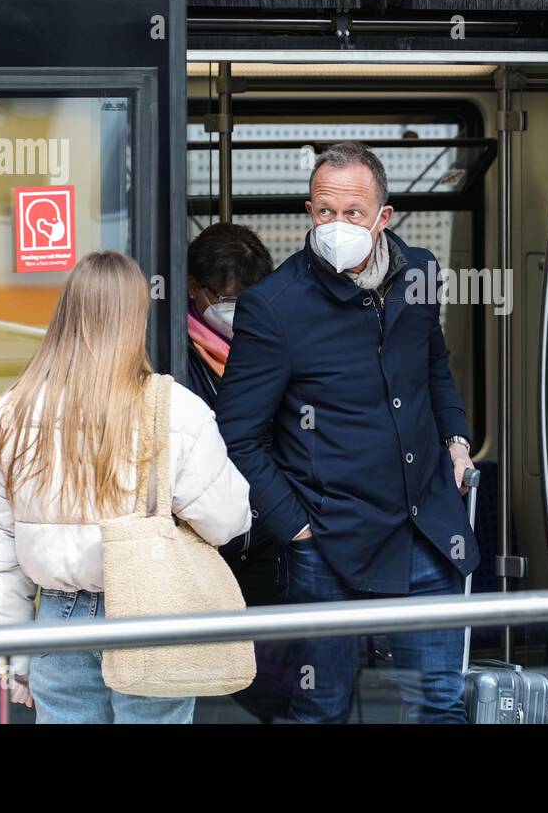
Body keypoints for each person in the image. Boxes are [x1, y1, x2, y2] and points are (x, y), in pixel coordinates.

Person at [217, 140, 478, 724]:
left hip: (427, 531)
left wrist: (455, 441)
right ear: (310, 211)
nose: (337, 225)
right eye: (325, 211)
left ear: (383, 217)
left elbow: (435, 366)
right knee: (321, 709)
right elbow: (237, 436)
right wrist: (297, 527)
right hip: (328, 547)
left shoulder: (421, 274)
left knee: (439, 703)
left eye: (353, 213)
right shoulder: (274, 307)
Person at [0, 251, 251, 723]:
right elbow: (227, 521)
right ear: (136, 317)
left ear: (66, 313)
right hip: (152, 614)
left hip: (57, 621)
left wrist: (11, 657)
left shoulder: (8, 414)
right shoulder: (173, 409)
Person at [184, 220, 296, 722]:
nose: (235, 309)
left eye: (247, 297)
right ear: (193, 288)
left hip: (270, 543)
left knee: (273, 680)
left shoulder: (275, 347)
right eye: (223, 296)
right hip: (203, 550)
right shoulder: (174, 355)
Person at [186, 222, 274, 403]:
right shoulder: (176, 352)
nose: (242, 308)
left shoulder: (272, 341)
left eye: (251, 300)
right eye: (229, 300)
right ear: (194, 287)